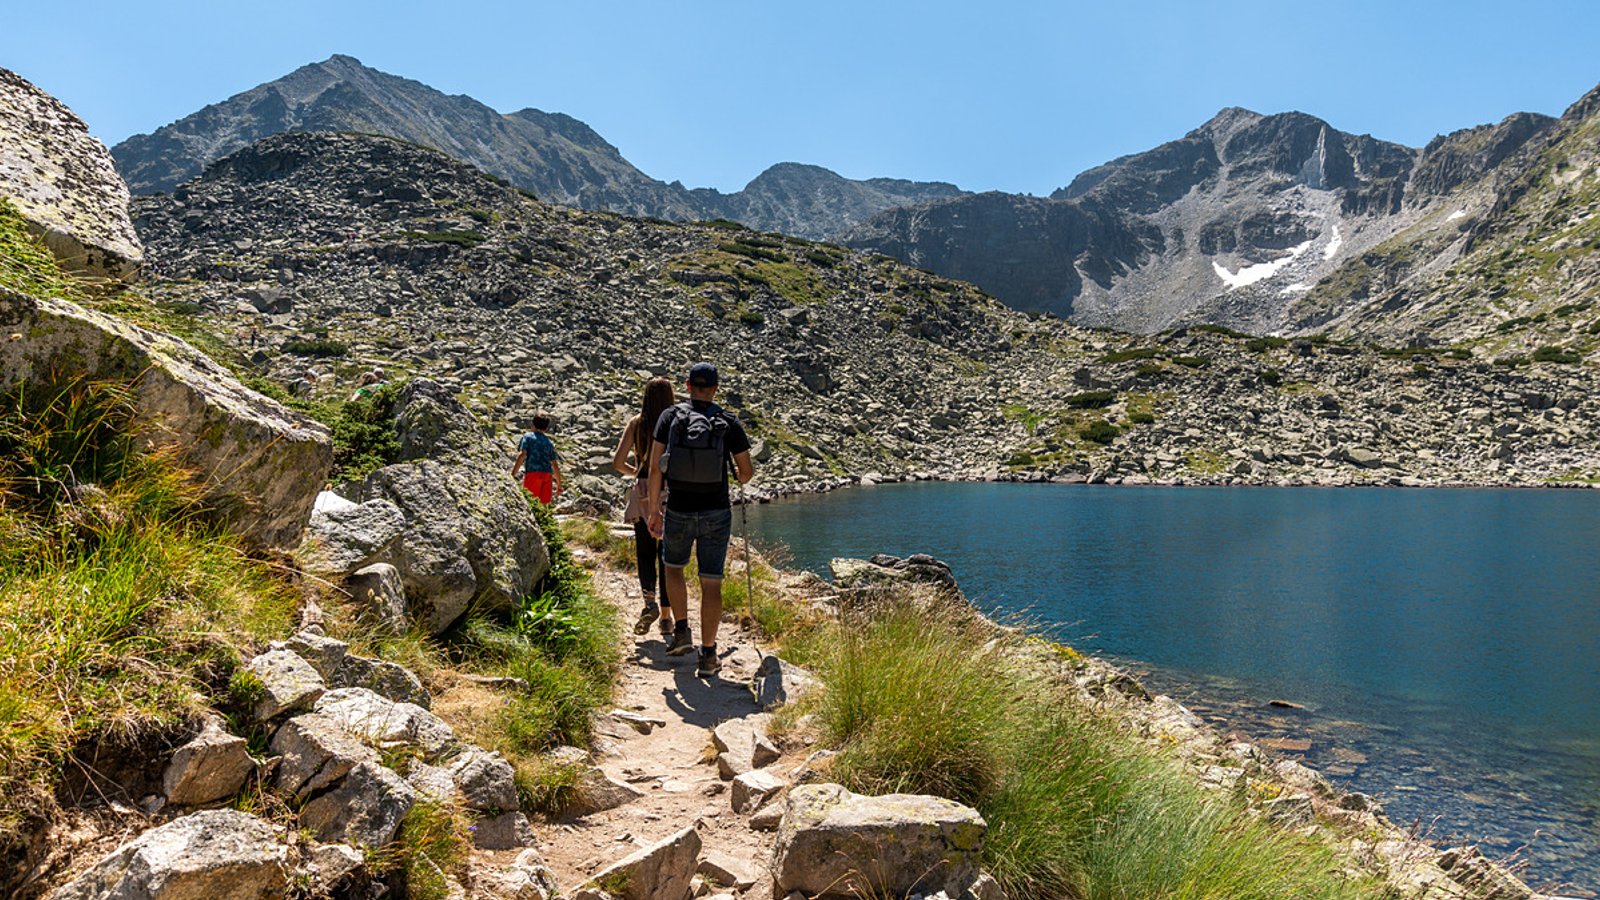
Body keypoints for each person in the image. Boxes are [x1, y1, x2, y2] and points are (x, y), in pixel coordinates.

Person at [647, 362, 754, 677]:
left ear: (688, 384)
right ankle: (708, 654)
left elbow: (655, 467)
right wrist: (733, 472)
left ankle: (681, 630)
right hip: (716, 511)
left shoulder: (670, 417)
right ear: (716, 388)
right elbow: (746, 473)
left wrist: (654, 510)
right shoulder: (728, 421)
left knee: (673, 568)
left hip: (678, 508)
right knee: (711, 581)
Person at [612, 377, 676, 638]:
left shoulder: (636, 423)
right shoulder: (675, 422)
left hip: (641, 492)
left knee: (644, 551)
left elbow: (617, 461)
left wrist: (637, 473)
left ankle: (648, 602)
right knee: (668, 556)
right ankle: (667, 617)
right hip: (670, 492)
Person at [513, 415, 563, 504]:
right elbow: (554, 464)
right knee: (543, 505)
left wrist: (513, 474)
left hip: (533, 473)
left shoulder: (528, 437)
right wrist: (559, 484)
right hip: (547, 475)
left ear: (533, 425)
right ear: (546, 428)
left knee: (531, 502)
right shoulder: (548, 442)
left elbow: (522, 455)